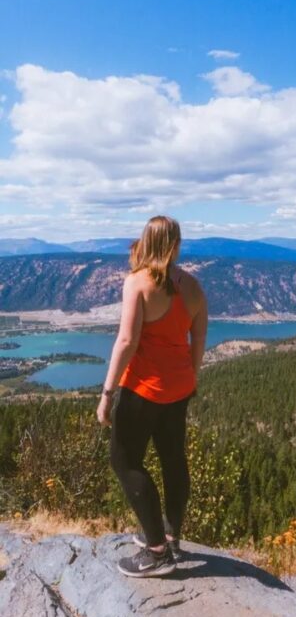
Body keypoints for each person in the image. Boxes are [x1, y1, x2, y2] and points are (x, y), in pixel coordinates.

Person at [96, 215, 208, 578]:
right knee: (173, 460)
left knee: (125, 461)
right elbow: (198, 345)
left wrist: (107, 392)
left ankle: (156, 550)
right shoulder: (193, 287)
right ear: (176, 243)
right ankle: (171, 537)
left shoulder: (137, 283)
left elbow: (127, 342)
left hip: (143, 390)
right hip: (179, 389)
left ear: (147, 241)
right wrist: (189, 381)